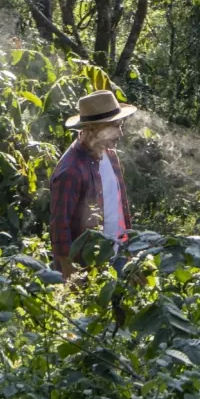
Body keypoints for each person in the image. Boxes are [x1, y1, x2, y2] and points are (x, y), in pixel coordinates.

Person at [49, 89, 136, 279]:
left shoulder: (110, 155)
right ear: (93, 129)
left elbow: (119, 206)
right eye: (115, 126)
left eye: (121, 126)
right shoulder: (70, 171)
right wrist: (70, 273)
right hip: (87, 265)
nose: (120, 133)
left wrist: (129, 251)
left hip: (118, 253)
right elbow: (59, 226)